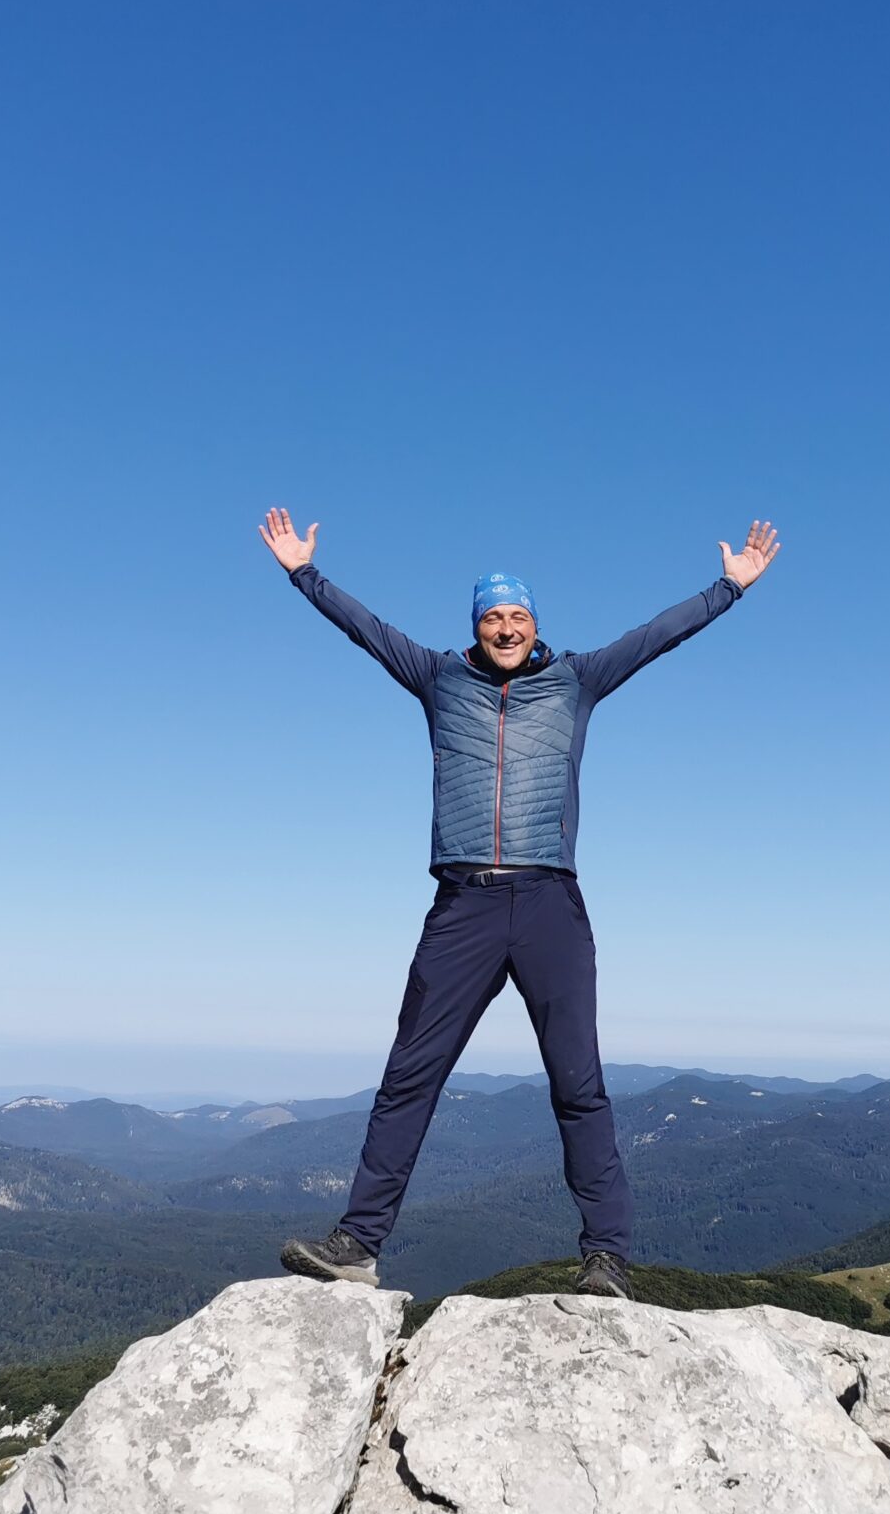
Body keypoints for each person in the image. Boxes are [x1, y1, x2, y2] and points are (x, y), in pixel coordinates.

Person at [254, 507, 782, 1297]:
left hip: (548, 904)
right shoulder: (438, 677)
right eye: (494, 616)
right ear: (478, 626)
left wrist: (729, 588)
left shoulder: (577, 680)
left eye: (519, 616)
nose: (507, 628)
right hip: (461, 903)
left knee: (578, 1082)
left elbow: (656, 635)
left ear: (536, 624)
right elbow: (365, 628)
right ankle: (359, 1243)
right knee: (411, 1076)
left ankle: (606, 1257)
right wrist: (304, 573)